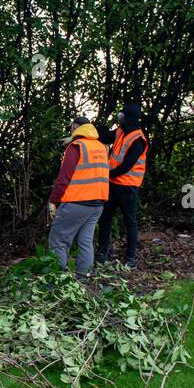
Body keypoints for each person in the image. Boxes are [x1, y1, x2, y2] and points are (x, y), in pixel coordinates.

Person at [47, 116, 111, 276]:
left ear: (75, 127)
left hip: (76, 202)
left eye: (71, 128)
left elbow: (64, 178)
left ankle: (58, 280)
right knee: (85, 242)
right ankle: (84, 279)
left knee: (58, 241)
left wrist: (53, 200)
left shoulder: (76, 146)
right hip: (97, 204)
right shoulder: (101, 147)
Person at [96, 102, 148, 270]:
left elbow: (127, 165)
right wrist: (91, 132)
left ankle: (131, 258)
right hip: (112, 185)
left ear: (129, 118)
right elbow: (104, 137)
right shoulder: (120, 131)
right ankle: (103, 252)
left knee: (129, 222)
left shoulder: (138, 139)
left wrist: (106, 174)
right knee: (105, 218)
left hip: (128, 187)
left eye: (122, 116)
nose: (120, 119)